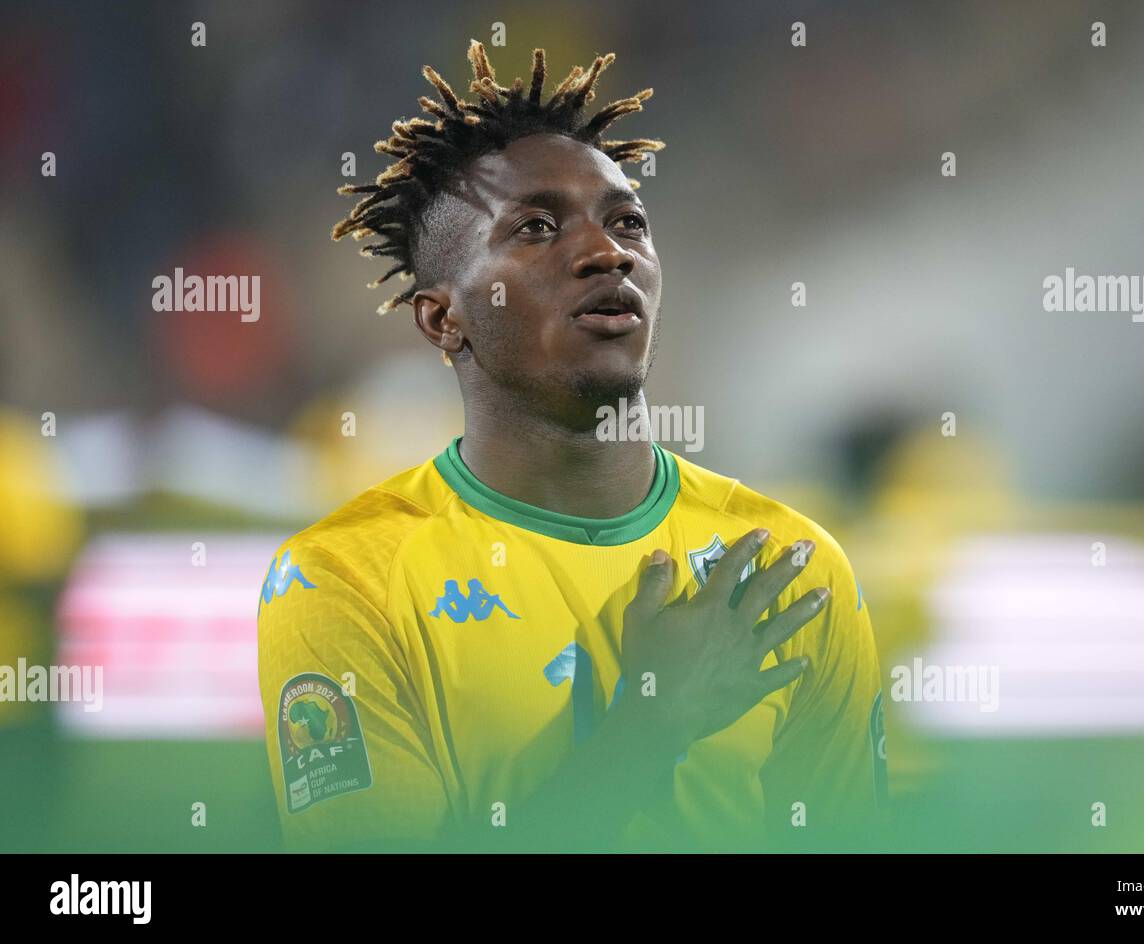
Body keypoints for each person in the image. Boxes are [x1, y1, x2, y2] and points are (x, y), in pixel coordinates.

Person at [257, 39, 886, 852]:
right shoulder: (343, 580)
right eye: (538, 227)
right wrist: (649, 728)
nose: (607, 251)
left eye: (628, 221)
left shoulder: (789, 570)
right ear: (444, 317)